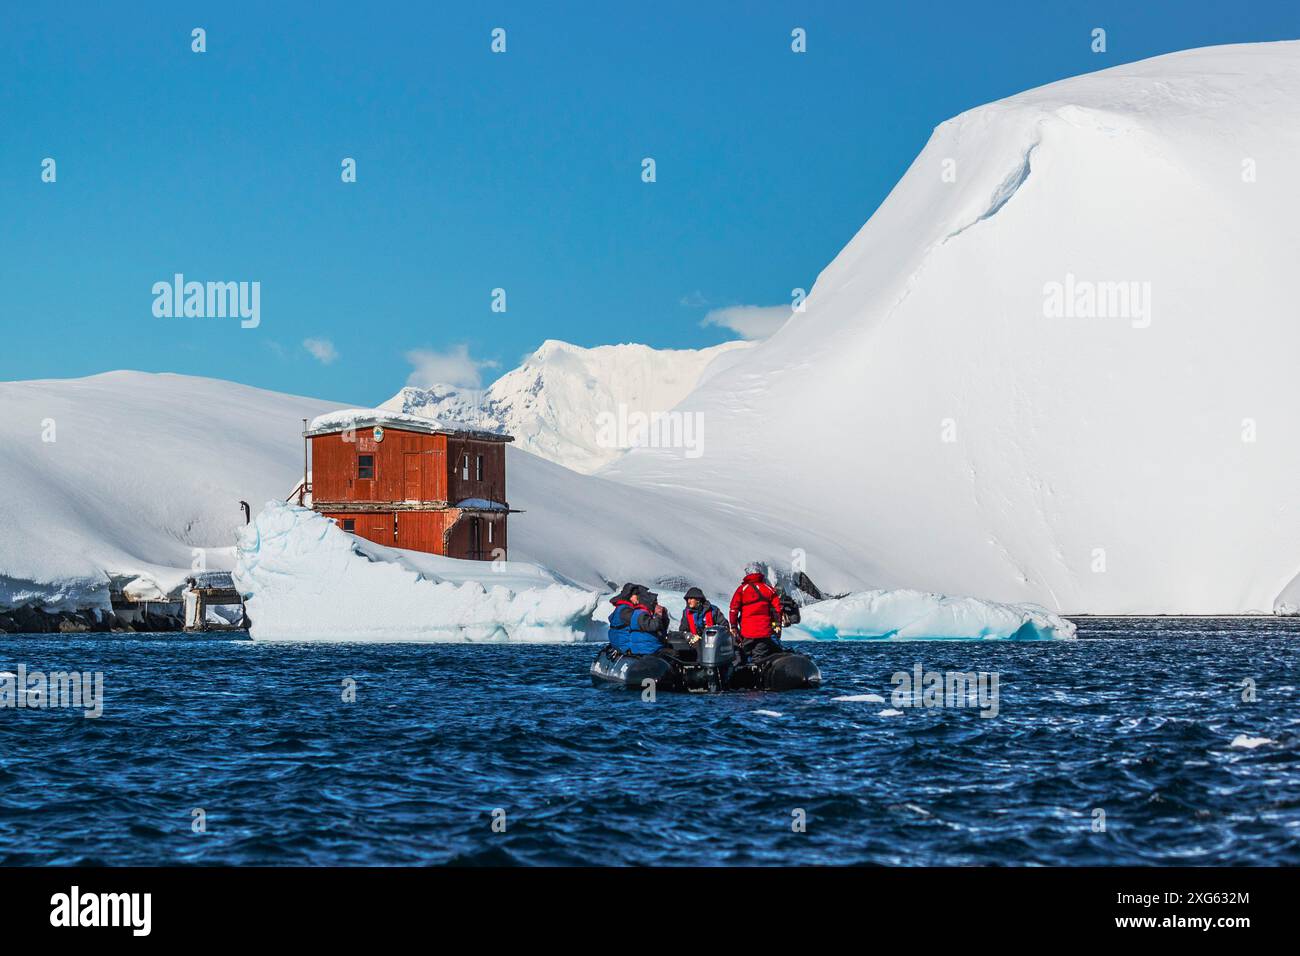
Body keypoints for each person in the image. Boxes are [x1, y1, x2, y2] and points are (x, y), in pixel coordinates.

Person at [728, 563, 784, 662]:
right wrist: (778, 624)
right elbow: (777, 609)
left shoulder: (742, 589)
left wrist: (733, 626)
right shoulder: (768, 589)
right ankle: (760, 673)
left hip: (747, 632)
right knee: (759, 657)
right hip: (764, 632)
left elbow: (733, 610)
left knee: (744, 656)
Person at [607, 583, 671, 655]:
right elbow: (643, 623)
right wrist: (658, 615)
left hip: (619, 644)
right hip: (626, 645)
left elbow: (611, 618)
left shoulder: (621, 608)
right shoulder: (626, 610)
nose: (638, 597)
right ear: (630, 596)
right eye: (636, 595)